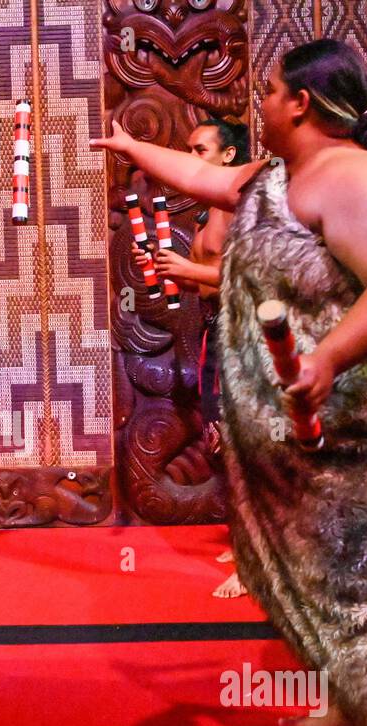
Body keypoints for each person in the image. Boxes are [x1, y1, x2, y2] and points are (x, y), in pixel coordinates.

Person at [93, 39, 367, 726]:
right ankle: (350, 710)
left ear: (299, 101)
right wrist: (133, 148)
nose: (256, 102)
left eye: (266, 89)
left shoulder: (357, 179)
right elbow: (209, 177)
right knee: (319, 568)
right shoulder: (282, 176)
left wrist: (327, 360)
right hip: (318, 419)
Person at [131, 118, 250, 599]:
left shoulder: (245, 210)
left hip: (243, 336)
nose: (190, 158)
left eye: (200, 150)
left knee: (244, 448)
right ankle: (243, 539)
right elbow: (204, 281)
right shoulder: (205, 214)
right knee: (219, 440)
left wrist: (187, 267)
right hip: (212, 331)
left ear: (228, 157)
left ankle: (256, 560)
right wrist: (172, 273)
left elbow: (252, 278)